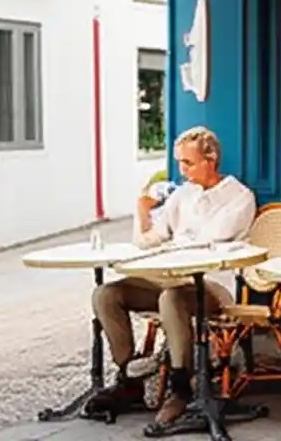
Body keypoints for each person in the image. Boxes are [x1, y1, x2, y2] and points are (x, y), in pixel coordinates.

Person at [86, 126, 256, 426]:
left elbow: (206, 243)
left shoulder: (239, 197)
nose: (182, 170)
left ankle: (180, 387)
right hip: (169, 276)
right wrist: (143, 212)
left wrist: (170, 244)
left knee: (171, 297)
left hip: (210, 286)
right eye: (179, 162)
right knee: (106, 294)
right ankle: (131, 378)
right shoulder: (184, 195)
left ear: (211, 159)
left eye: (188, 163)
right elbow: (148, 241)